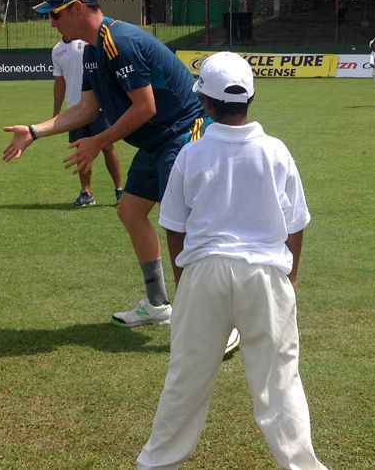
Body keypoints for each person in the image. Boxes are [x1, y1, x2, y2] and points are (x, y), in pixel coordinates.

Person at [136, 52, 326, 470]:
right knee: (280, 383)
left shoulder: (191, 153)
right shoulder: (277, 151)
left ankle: (155, 464)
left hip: (204, 271)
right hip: (266, 274)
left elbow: (174, 226)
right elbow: (296, 225)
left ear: (203, 101)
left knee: (185, 380)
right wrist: (290, 278)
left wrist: (184, 281)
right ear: (251, 97)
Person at [2, 0, 210, 328]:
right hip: (157, 140)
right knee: (130, 211)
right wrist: (35, 131)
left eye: (55, 15)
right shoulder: (93, 50)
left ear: (78, 8)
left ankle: (210, 319)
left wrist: (98, 142)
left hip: (183, 134)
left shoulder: (120, 42)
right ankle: (158, 304)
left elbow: (144, 107)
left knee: (183, 226)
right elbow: (86, 108)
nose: (52, 23)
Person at [51, 36, 123, 207]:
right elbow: (59, 83)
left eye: (58, 16)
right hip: (74, 110)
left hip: (98, 106)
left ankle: (120, 191)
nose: (55, 22)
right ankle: (86, 192)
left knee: (107, 146)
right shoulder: (56, 50)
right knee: (81, 150)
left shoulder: (88, 42)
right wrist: (56, 111)